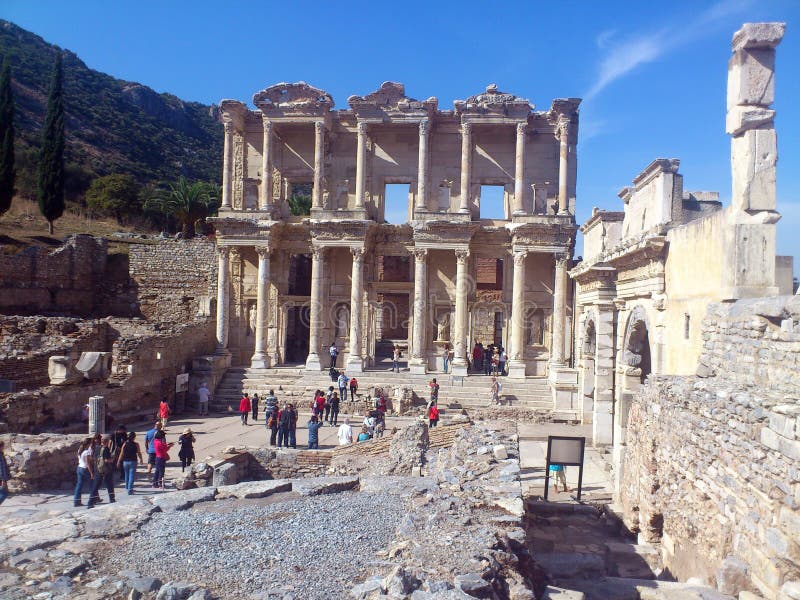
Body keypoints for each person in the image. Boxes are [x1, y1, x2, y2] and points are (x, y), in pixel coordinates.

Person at [88, 435, 116, 508]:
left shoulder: (97, 447)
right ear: (108, 441)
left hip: (97, 469)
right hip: (106, 469)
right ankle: (112, 499)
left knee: (95, 486)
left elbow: (93, 458)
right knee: (109, 484)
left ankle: (90, 502)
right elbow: (106, 460)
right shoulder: (106, 449)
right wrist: (112, 459)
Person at [116, 431, 143, 495]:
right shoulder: (136, 444)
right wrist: (141, 459)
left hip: (125, 461)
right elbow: (139, 453)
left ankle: (127, 487)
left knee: (126, 475)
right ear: (134, 437)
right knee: (131, 476)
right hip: (133, 461)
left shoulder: (124, 444)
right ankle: (130, 490)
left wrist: (118, 461)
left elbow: (121, 453)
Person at [74, 437, 95, 507]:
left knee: (79, 485)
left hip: (79, 468)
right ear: (89, 443)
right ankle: (92, 501)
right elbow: (88, 463)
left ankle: (76, 502)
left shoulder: (80, 450)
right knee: (92, 485)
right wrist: (91, 473)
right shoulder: (86, 452)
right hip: (85, 469)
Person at [0, 440, 11, 505]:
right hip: (1, 478)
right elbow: (1, 468)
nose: (3, 448)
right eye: (3, 446)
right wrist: (3, 480)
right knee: (4, 493)